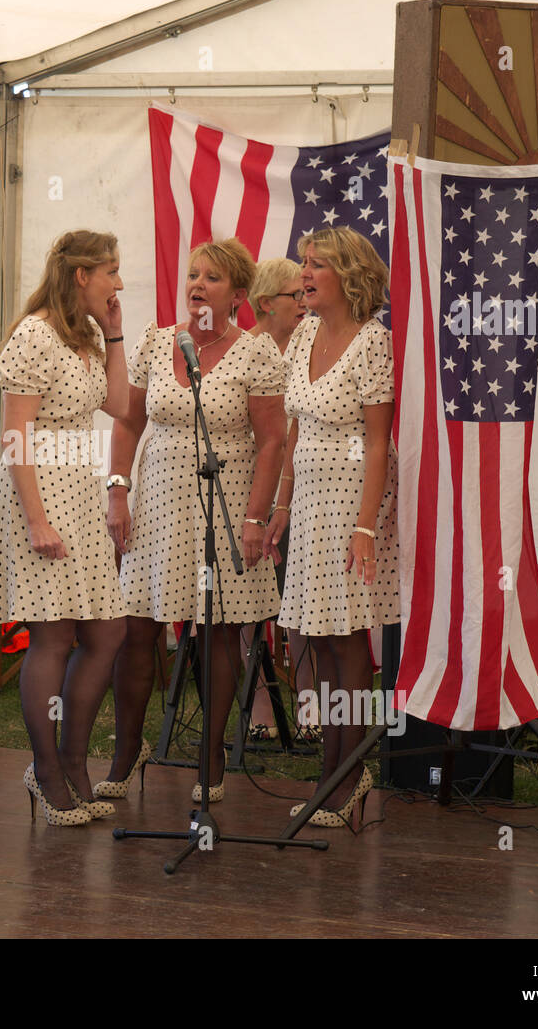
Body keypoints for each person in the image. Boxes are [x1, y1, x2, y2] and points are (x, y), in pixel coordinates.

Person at [103, 238, 285, 803]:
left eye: (211, 278)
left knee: (217, 632)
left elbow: (273, 440)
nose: (196, 286)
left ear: (237, 294)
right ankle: (126, 756)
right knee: (137, 629)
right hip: (156, 505)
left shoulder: (255, 354)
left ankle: (211, 761)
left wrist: (257, 517)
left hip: (224, 509)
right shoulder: (158, 343)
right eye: (192, 275)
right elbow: (129, 423)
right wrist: (117, 490)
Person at [0, 230, 130, 826]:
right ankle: (46, 770)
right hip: (37, 490)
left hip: (81, 491)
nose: (118, 283)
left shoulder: (87, 333)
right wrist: (36, 520)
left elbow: (117, 405)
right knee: (55, 637)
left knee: (107, 632)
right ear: (80, 274)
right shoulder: (34, 333)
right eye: (111, 272)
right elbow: (15, 433)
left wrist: (114, 333)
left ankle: (72, 757)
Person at [264, 226, 398, 829]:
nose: (304, 276)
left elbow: (378, 445)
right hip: (311, 503)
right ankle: (338, 770)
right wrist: (282, 505)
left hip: (351, 504)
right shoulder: (305, 334)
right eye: (303, 264)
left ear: (349, 275)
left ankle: (343, 778)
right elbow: (292, 430)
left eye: (316, 265)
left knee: (347, 643)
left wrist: (366, 528)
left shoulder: (374, 343)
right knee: (317, 639)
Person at [245, 257, 316, 742]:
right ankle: (260, 712)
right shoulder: (244, 350)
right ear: (266, 302)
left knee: (302, 608)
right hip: (250, 493)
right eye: (296, 296)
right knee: (249, 611)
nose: (304, 304)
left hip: (302, 494)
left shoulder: (315, 346)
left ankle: (311, 713)